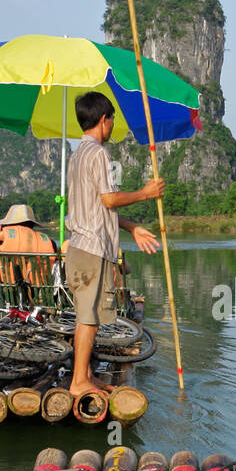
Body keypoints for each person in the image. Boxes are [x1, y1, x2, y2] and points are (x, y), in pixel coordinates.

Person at [65, 91, 163, 396]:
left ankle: (85, 375)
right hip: (93, 249)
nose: (112, 127)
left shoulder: (77, 155)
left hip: (81, 246)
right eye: (111, 120)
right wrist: (146, 193)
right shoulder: (98, 154)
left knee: (89, 315)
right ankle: (78, 382)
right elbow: (109, 199)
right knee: (89, 317)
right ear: (103, 120)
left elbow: (98, 206)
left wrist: (132, 227)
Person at [0, 203, 62, 287]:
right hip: (40, 295)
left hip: (9, 296)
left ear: (8, 224)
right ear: (32, 225)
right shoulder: (49, 242)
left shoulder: (1, 242)